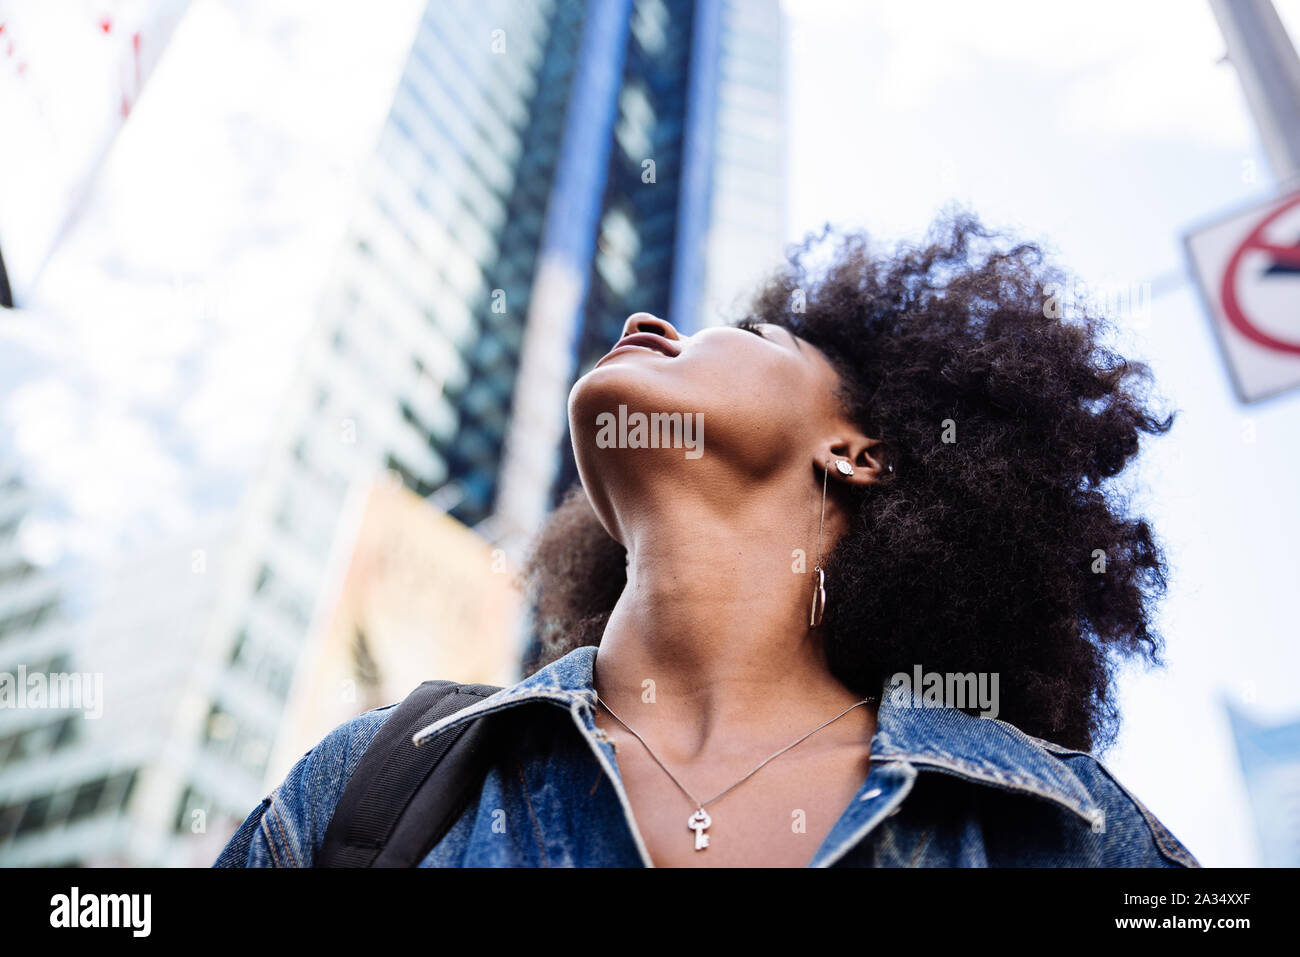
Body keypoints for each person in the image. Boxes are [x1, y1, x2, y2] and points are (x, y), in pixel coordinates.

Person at [215, 213, 1199, 867]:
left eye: (752, 335)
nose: (646, 321)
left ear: (860, 452)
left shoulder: (1064, 827)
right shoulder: (368, 785)